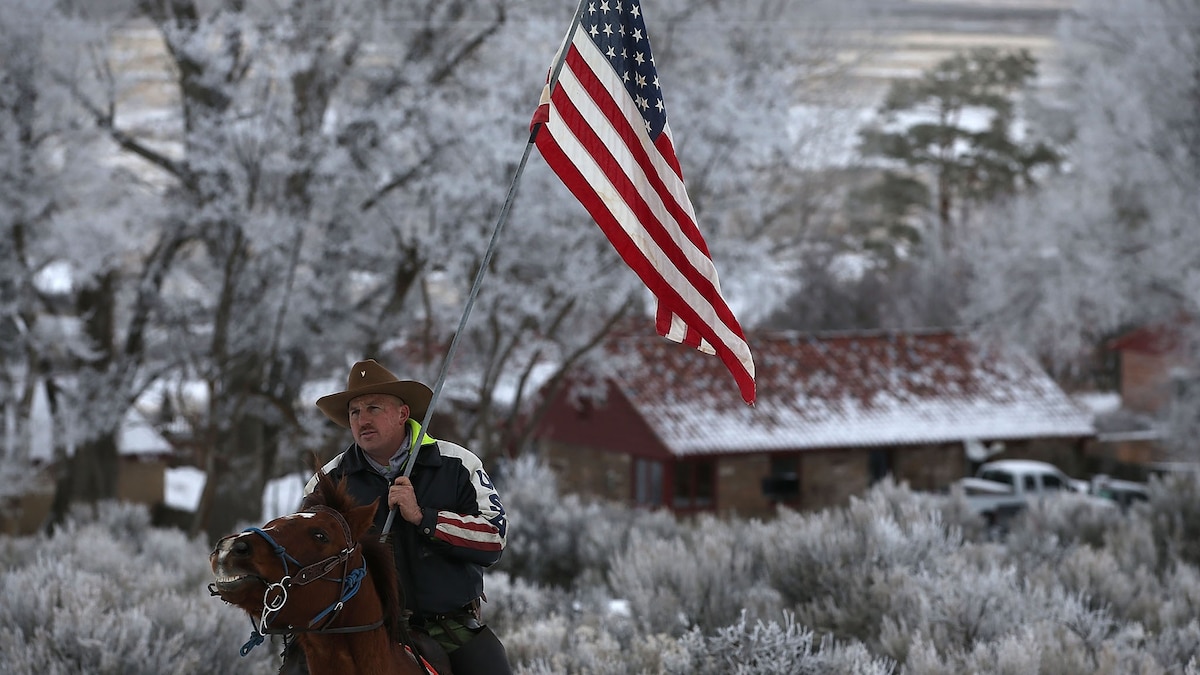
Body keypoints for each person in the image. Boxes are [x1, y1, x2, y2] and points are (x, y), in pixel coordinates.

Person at [284, 359, 512, 675]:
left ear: (402, 414)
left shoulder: (457, 464)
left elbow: (493, 537)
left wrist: (425, 518)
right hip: (353, 629)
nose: (362, 419)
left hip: (446, 626)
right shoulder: (329, 481)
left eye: (373, 408)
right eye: (354, 412)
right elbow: (299, 557)